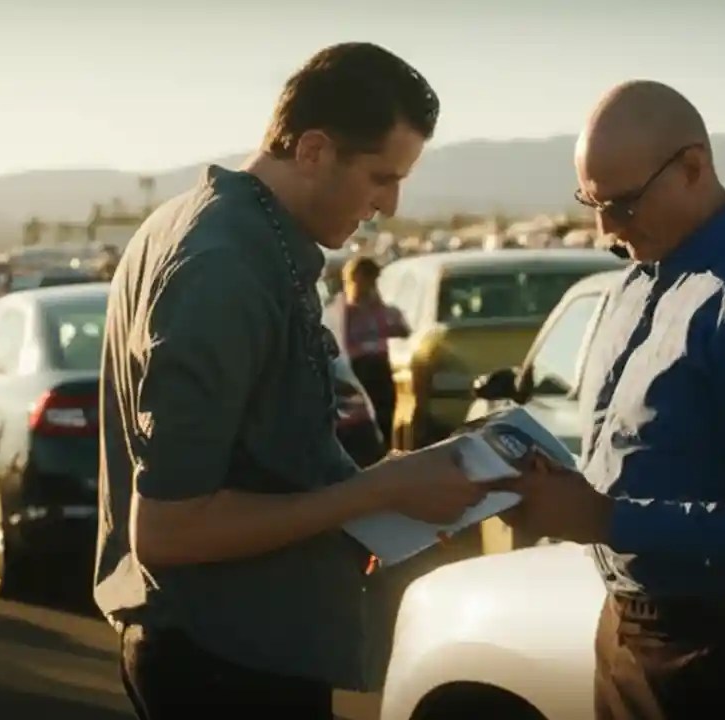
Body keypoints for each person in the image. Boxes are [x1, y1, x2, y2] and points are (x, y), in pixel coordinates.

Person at [94, 43, 493, 717]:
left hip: (242, 649)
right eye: (379, 177)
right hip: (224, 662)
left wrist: (392, 485)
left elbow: (267, 456)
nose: (390, 205)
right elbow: (167, 530)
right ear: (311, 150)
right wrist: (375, 491)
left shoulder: (244, 235)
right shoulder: (221, 266)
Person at [494, 81, 725, 719]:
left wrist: (603, 519)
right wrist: (555, 493)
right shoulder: (636, 281)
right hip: (636, 634)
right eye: (591, 203)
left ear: (693, 168)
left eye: (624, 204)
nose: (606, 228)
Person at [326, 255, 409, 445]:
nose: (369, 286)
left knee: (385, 415)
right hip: (356, 369)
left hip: (379, 365)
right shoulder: (340, 311)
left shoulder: (379, 309)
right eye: (366, 280)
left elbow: (402, 329)